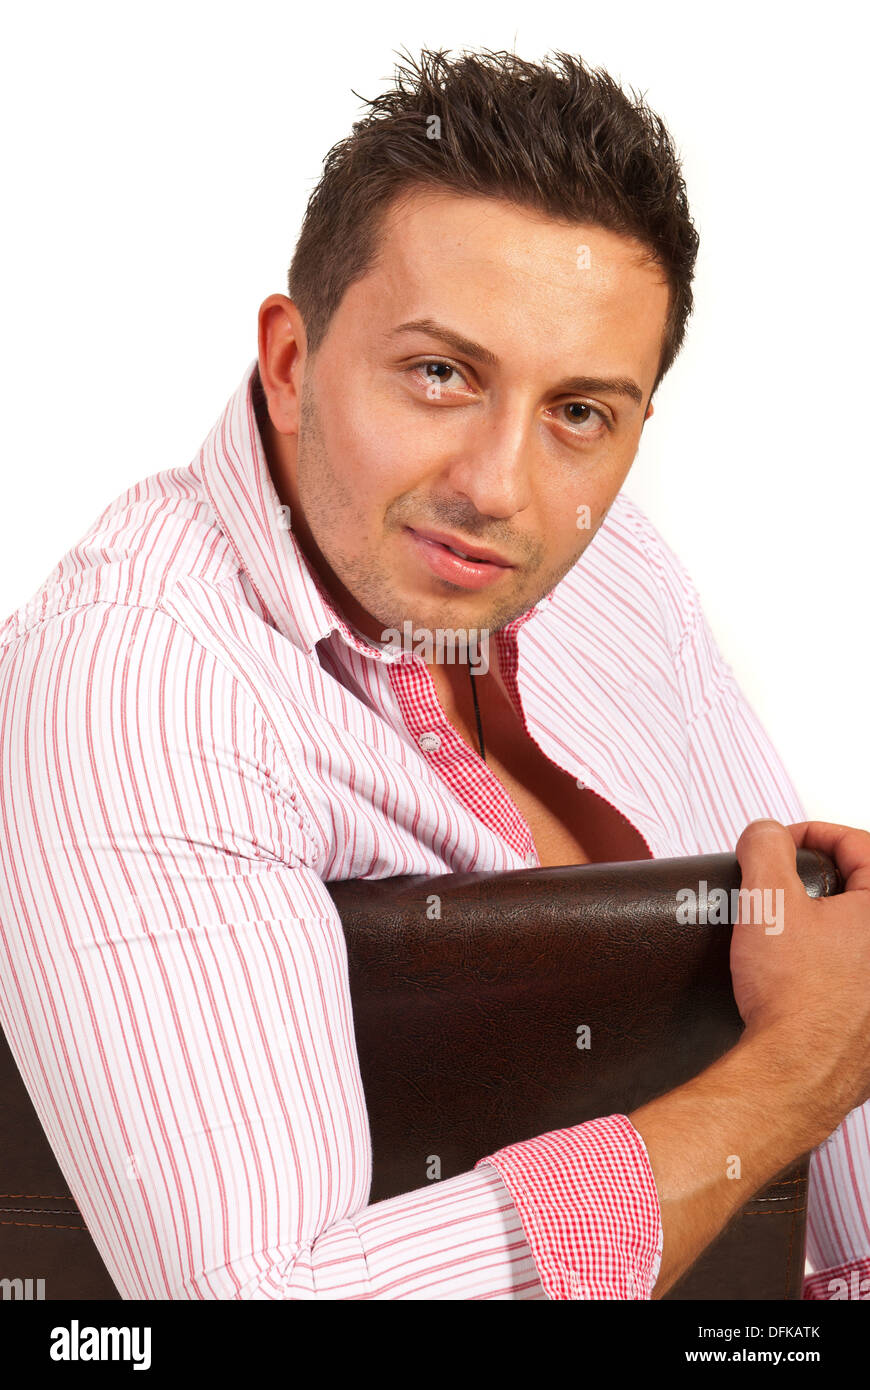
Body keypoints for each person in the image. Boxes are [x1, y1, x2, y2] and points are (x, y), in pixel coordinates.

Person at [0, 47, 867, 1301]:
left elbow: (818, 952)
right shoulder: (142, 690)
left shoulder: (613, 564)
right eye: (441, 373)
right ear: (292, 363)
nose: (500, 488)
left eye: (581, 411)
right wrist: (795, 1075)